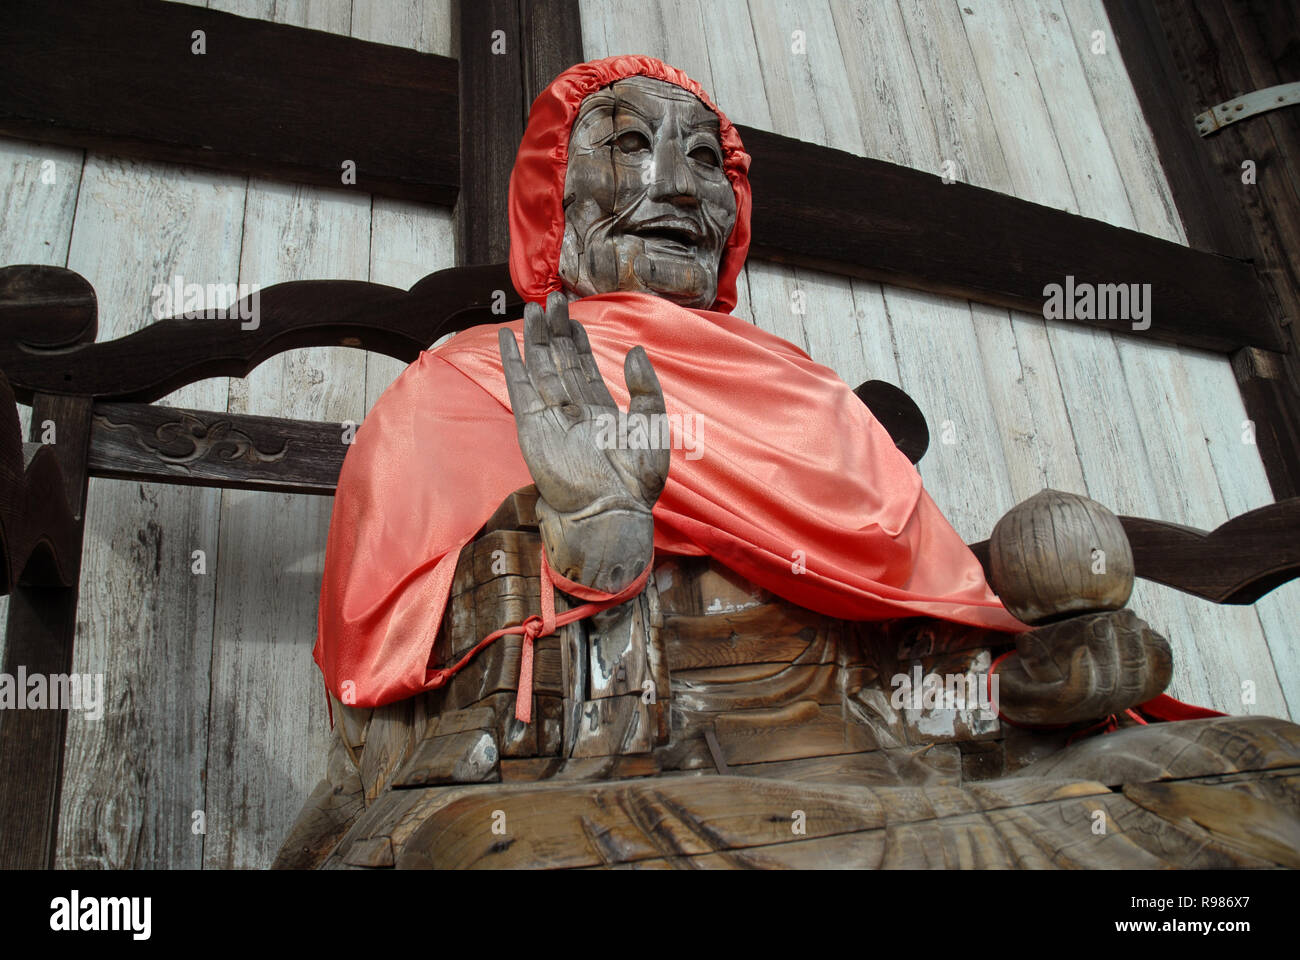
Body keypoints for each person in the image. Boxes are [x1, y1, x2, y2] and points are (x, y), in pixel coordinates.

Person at [314, 55, 1024, 711]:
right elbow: (382, 686)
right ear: (551, 194)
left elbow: (948, 628)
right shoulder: (465, 386)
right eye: (627, 146)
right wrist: (592, 548)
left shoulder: (811, 394)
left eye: (706, 159)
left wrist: (1024, 676)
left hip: (878, 761)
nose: (679, 187)